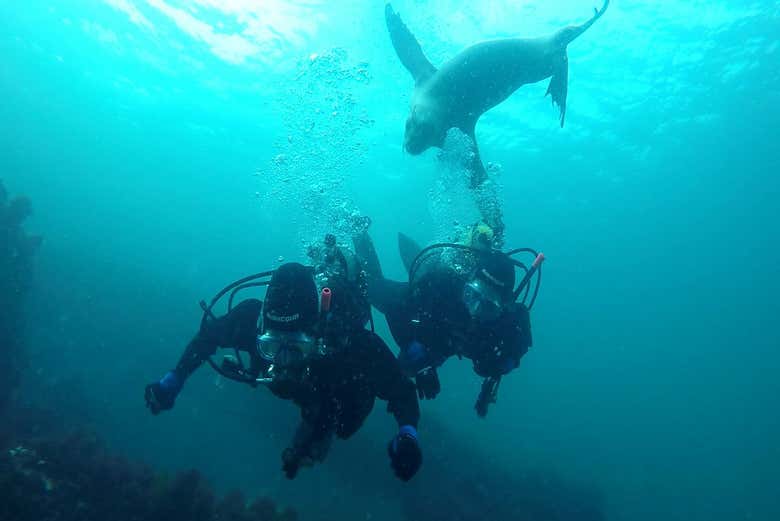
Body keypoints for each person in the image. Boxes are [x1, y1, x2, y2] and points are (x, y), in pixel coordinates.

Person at [144, 238, 422, 481]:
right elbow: (206, 339)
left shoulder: (351, 344)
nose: (284, 362)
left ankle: (362, 244)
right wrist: (174, 379)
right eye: (272, 346)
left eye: (296, 348)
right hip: (314, 379)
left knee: (345, 424)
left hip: (333, 384)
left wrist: (408, 435)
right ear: (262, 328)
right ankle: (306, 445)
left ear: (316, 334)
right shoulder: (249, 320)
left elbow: (403, 392)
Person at [353, 223, 542, 417]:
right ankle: (358, 231)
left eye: (487, 306)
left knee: (407, 367)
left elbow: (516, 350)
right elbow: (397, 309)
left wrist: (500, 366)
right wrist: (418, 356)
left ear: (503, 307)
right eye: (472, 295)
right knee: (369, 287)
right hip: (433, 315)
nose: (475, 310)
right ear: (466, 285)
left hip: (445, 340)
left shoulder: (509, 324)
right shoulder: (444, 285)